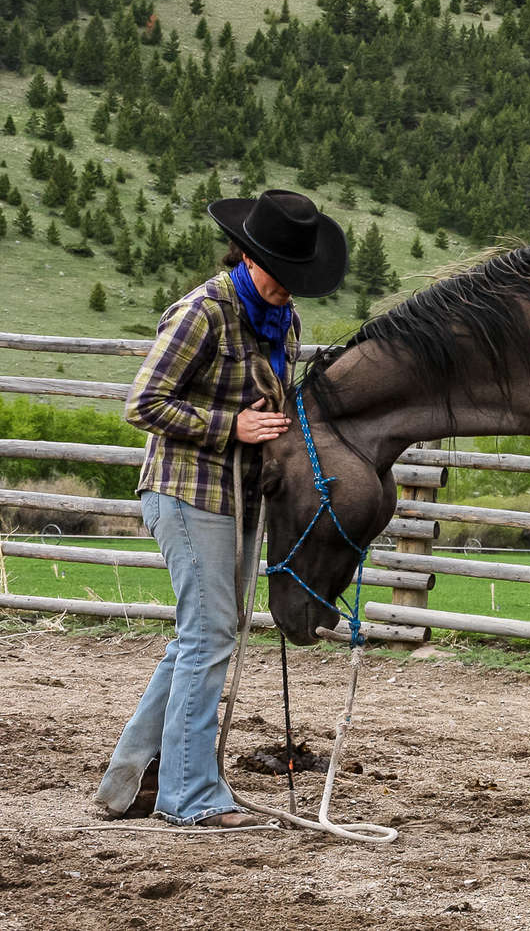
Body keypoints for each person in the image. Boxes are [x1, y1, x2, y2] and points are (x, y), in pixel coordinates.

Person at [94, 189, 347, 827]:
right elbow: (144, 403)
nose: (290, 290)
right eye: (281, 276)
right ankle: (190, 796)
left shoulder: (281, 323)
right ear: (248, 256)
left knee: (200, 637)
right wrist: (229, 427)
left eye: (298, 280)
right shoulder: (201, 313)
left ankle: (129, 779)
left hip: (239, 497)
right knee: (209, 636)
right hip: (186, 491)